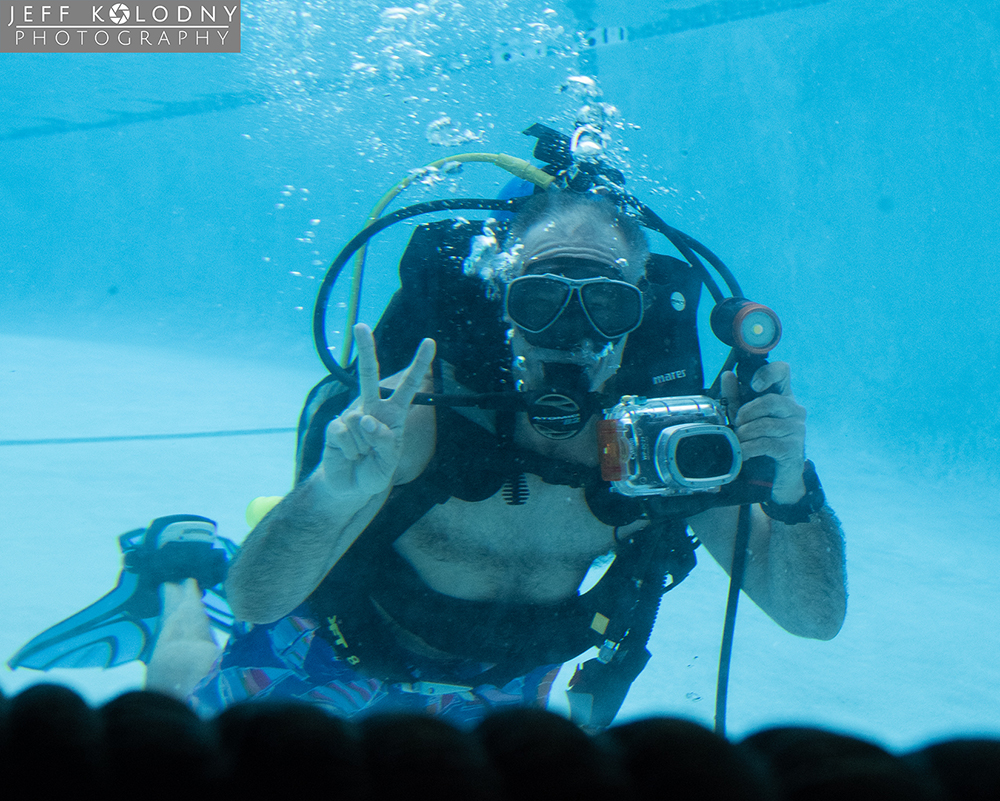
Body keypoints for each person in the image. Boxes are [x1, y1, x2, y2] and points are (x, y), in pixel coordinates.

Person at [184, 190, 847, 728]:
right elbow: (260, 597)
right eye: (541, 301)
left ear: (638, 309)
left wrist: (790, 486)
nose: (572, 335)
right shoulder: (427, 417)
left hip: (507, 686)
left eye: (605, 304)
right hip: (334, 647)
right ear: (503, 297)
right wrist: (333, 490)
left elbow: (812, 618)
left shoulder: (665, 452)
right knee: (178, 709)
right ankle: (177, 575)